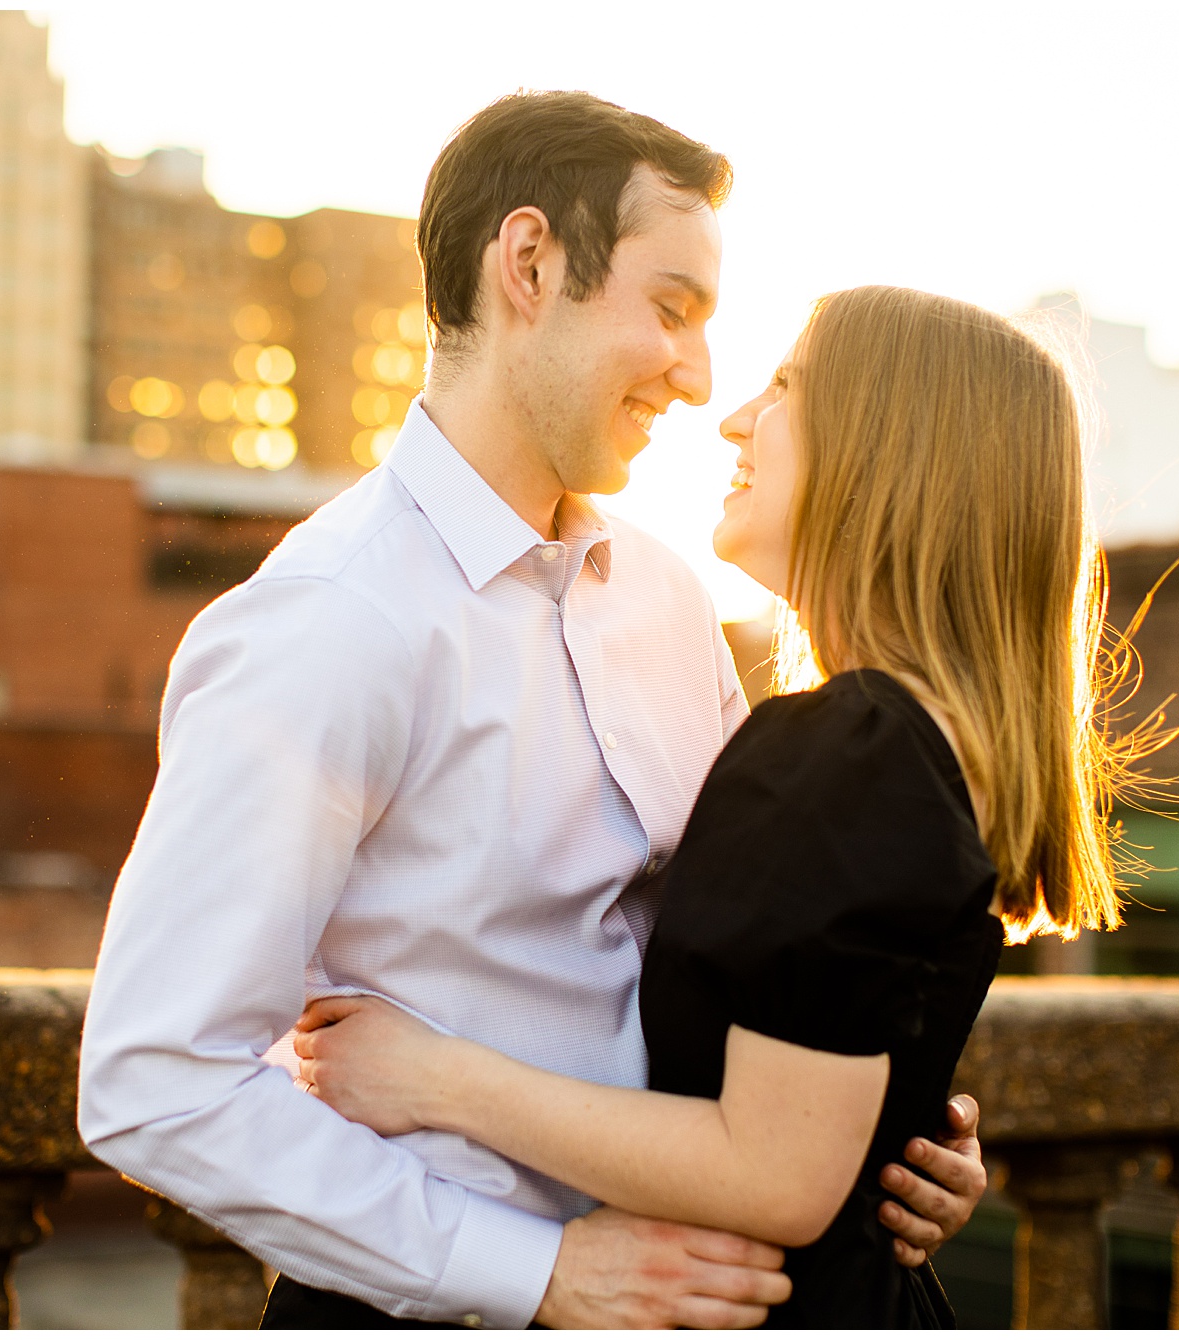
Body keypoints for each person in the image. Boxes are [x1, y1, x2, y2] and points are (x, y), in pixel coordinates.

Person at [77, 94, 989, 1329]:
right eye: (668, 309)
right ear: (529, 264)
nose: (698, 373)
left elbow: (768, 958)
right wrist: (534, 1274)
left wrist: (879, 1138)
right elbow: (155, 1080)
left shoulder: (670, 602)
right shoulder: (326, 621)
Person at [294, 285, 1176, 1326]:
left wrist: (434, 1074)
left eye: (786, 388)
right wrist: (892, 1136)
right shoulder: (923, 752)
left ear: (883, 449)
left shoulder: (847, 753)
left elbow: (771, 1177)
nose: (734, 416)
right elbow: (820, 1081)